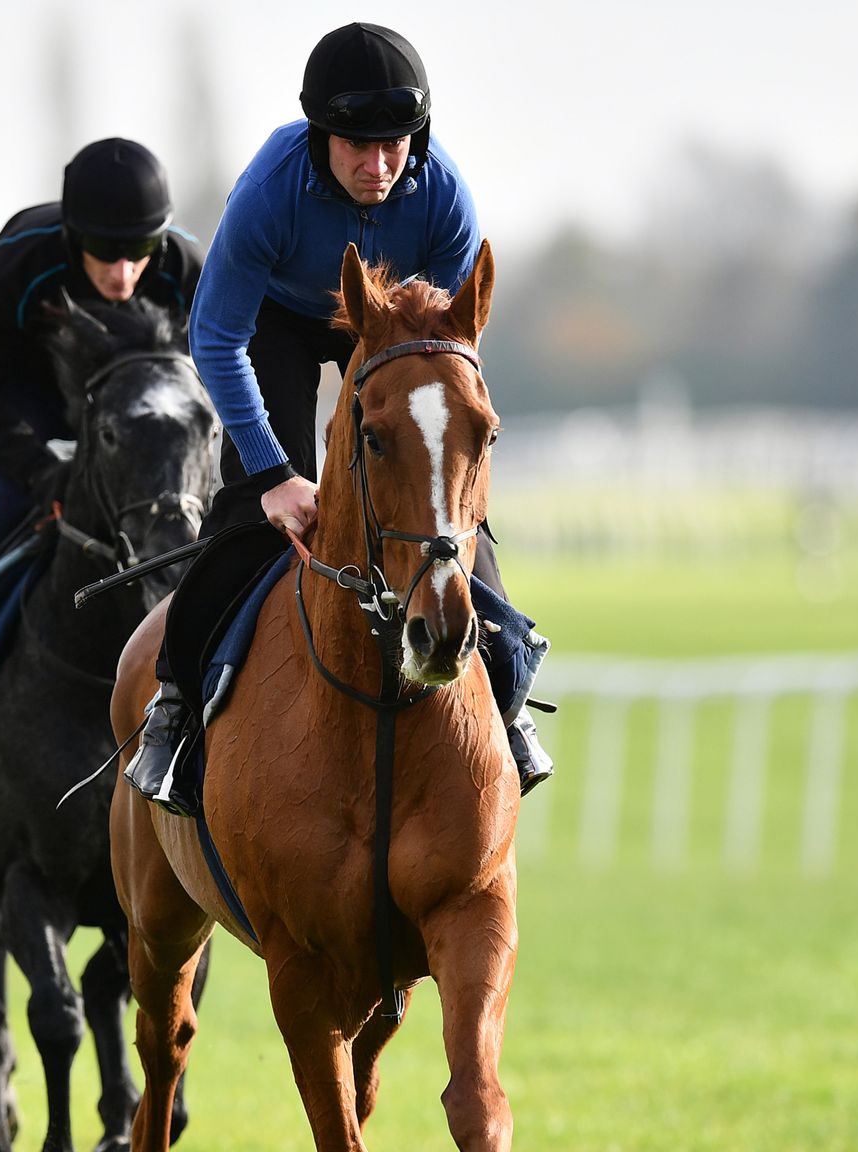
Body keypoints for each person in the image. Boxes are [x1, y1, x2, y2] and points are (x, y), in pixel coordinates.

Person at [123, 22, 553, 800]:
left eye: (395, 144)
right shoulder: (269, 190)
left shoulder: (446, 196)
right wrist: (273, 472)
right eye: (357, 145)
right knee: (250, 516)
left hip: (394, 331)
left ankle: (509, 704)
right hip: (279, 326)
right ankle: (177, 710)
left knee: (455, 527)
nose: (378, 164)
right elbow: (215, 336)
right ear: (321, 135)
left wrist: (451, 490)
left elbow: (455, 355)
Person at [0, 138, 205, 773]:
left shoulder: (187, 268)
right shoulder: (18, 263)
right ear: (71, 236)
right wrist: (36, 468)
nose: (122, 275)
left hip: (138, 415)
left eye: (138, 252)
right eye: (105, 254)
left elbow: (218, 372)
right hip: (32, 405)